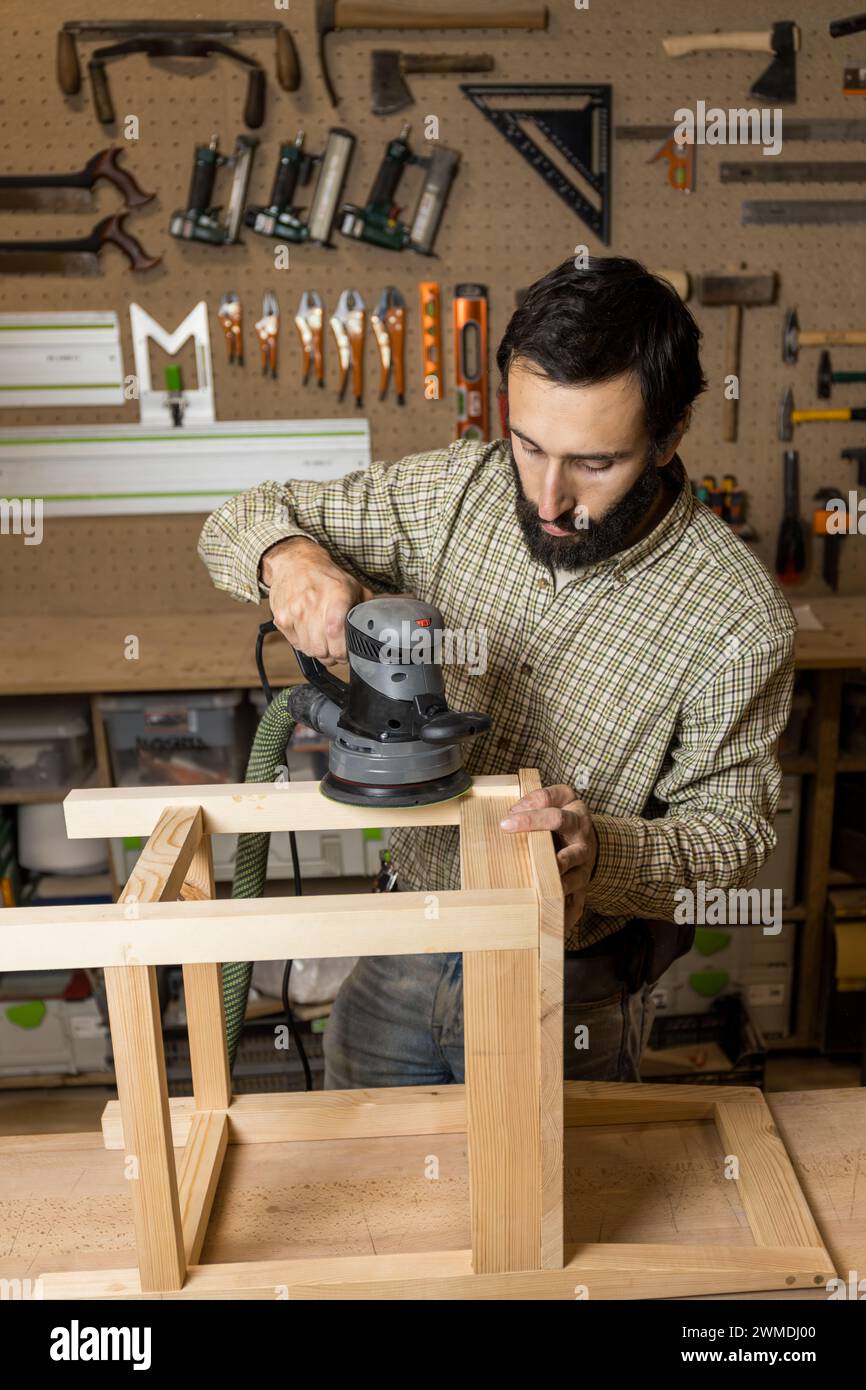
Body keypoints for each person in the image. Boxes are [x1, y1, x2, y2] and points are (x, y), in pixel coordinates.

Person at [198, 255, 796, 1089]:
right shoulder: (453, 492)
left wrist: (604, 850)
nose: (548, 498)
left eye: (595, 463)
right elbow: (241, 515)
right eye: (528, 444)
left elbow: (738, 835)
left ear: (669, 437)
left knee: (539, 1210)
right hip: (407, 930)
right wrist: (290, 561)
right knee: (368, 1188)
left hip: (569, 973)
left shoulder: (735, 615)